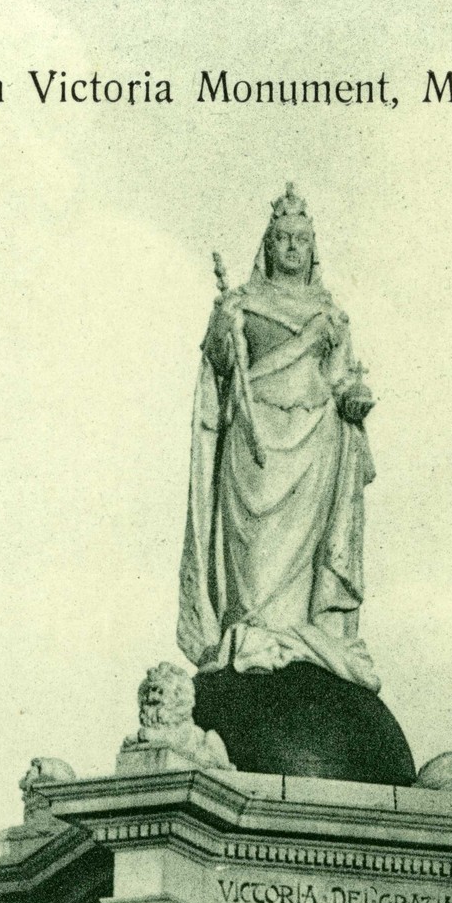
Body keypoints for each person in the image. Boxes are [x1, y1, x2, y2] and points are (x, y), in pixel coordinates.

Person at [177, 185, 380, 692]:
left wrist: (354, 399)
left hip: (316, 440)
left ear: (314, 249)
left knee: (307, 556)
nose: (292, 247)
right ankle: (253, 638)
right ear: (267, 247)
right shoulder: (241, 303)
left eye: (302, 239)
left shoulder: (331, 316)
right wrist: (222, 332)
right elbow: (222, 370)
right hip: (253, 439)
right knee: (255, 552)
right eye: (283, 238)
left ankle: (306, 639)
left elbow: (340, 379)